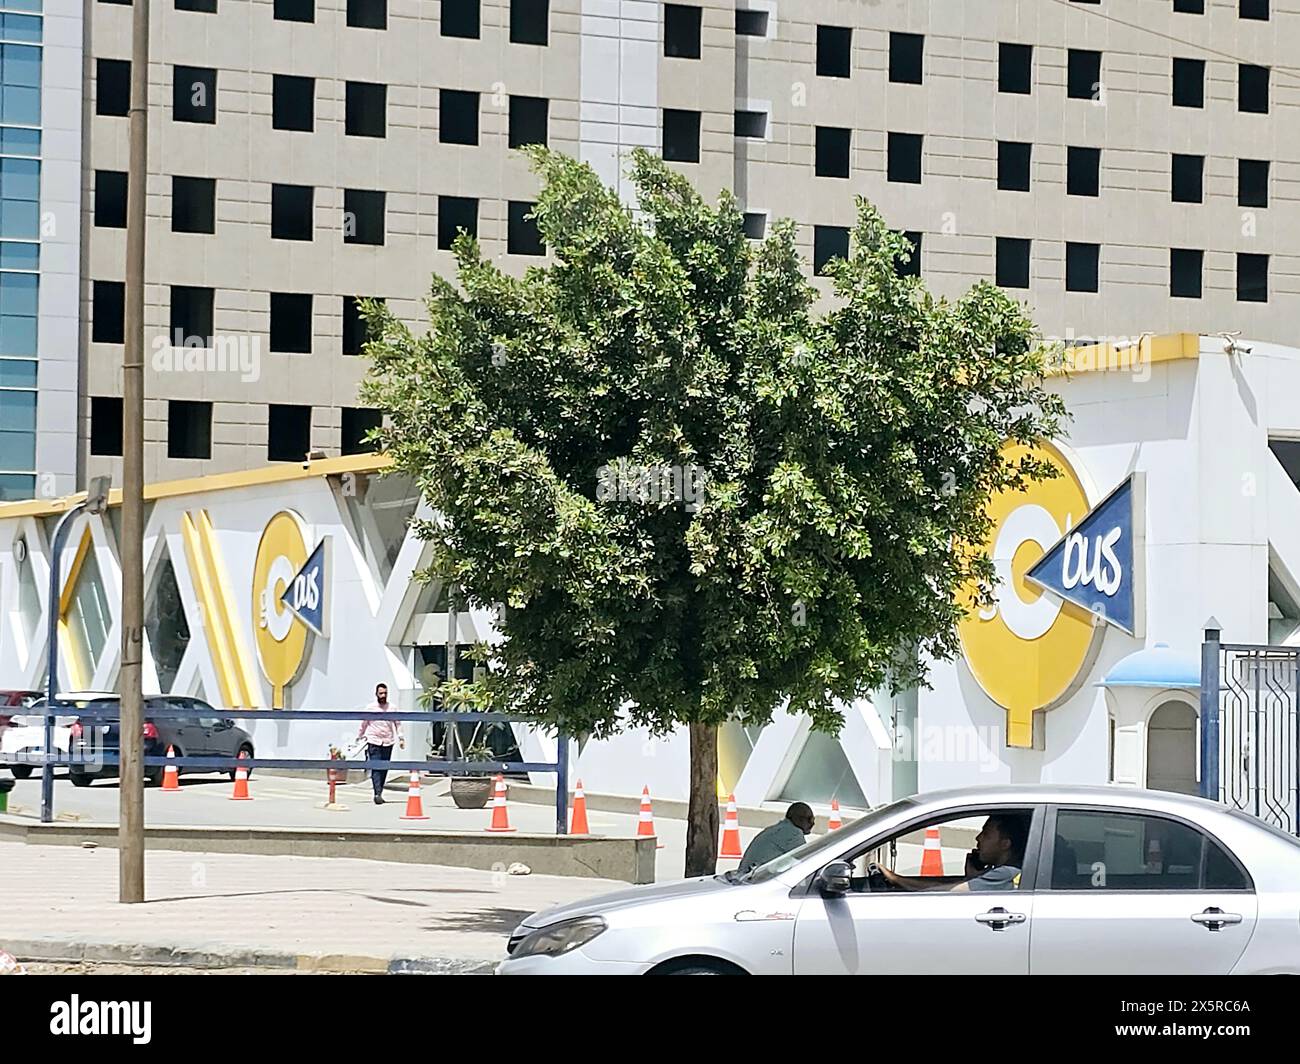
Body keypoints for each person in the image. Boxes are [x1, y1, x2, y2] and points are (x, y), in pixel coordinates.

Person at [878, 813, 1028, 892]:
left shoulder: (1005, 874)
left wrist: (896, 879)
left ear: (1005, 844)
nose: (978, 838)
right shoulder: (1005, 873)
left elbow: (947, 891)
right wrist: (972, 878)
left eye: (986, 834)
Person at [357, 683, 403, 805]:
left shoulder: (392, 708)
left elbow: (397, 723)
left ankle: (380, 792)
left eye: (385, 693)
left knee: (384, 768)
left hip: (388, 741)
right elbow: (364, 723)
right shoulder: (370, 708)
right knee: (376, 767)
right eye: (381, 693)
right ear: (376, 694)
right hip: (374, 741)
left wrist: (401, 738)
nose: (383, 695)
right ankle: (377, 793)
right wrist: (359, 736)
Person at [738, 802, 816, 873]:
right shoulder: (793, 832)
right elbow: (806, 860)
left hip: (746, 875)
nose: (813, 824)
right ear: (799, 819)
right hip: (756, 878)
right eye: (810, 819)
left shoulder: (776, 829)